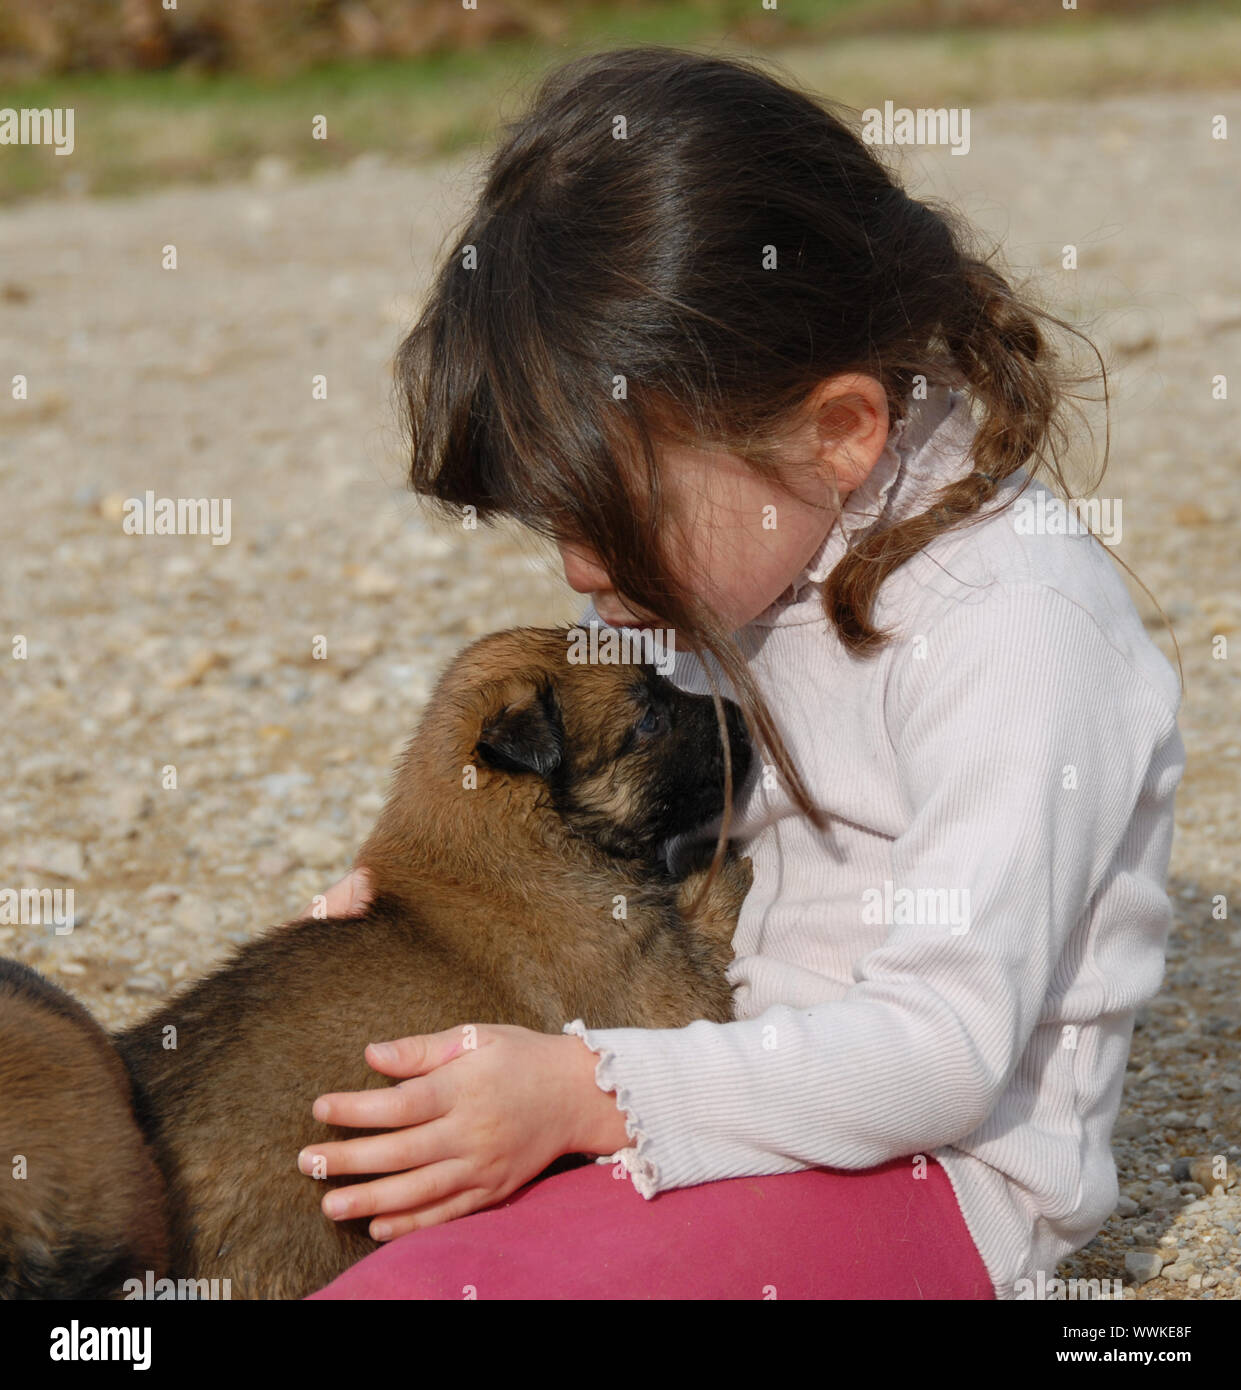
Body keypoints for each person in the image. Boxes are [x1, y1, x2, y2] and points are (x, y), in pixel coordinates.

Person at [298, 47, 1185, 1300]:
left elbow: (943, 1055)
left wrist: (583, 1091)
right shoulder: (753, 545)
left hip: (929, 1186)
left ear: (835, 432)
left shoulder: (1015, 630)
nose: (573, 567)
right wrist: (434, 898)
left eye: (609, 515)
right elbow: (644, 814)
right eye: (553, 521)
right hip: (723, 1090)